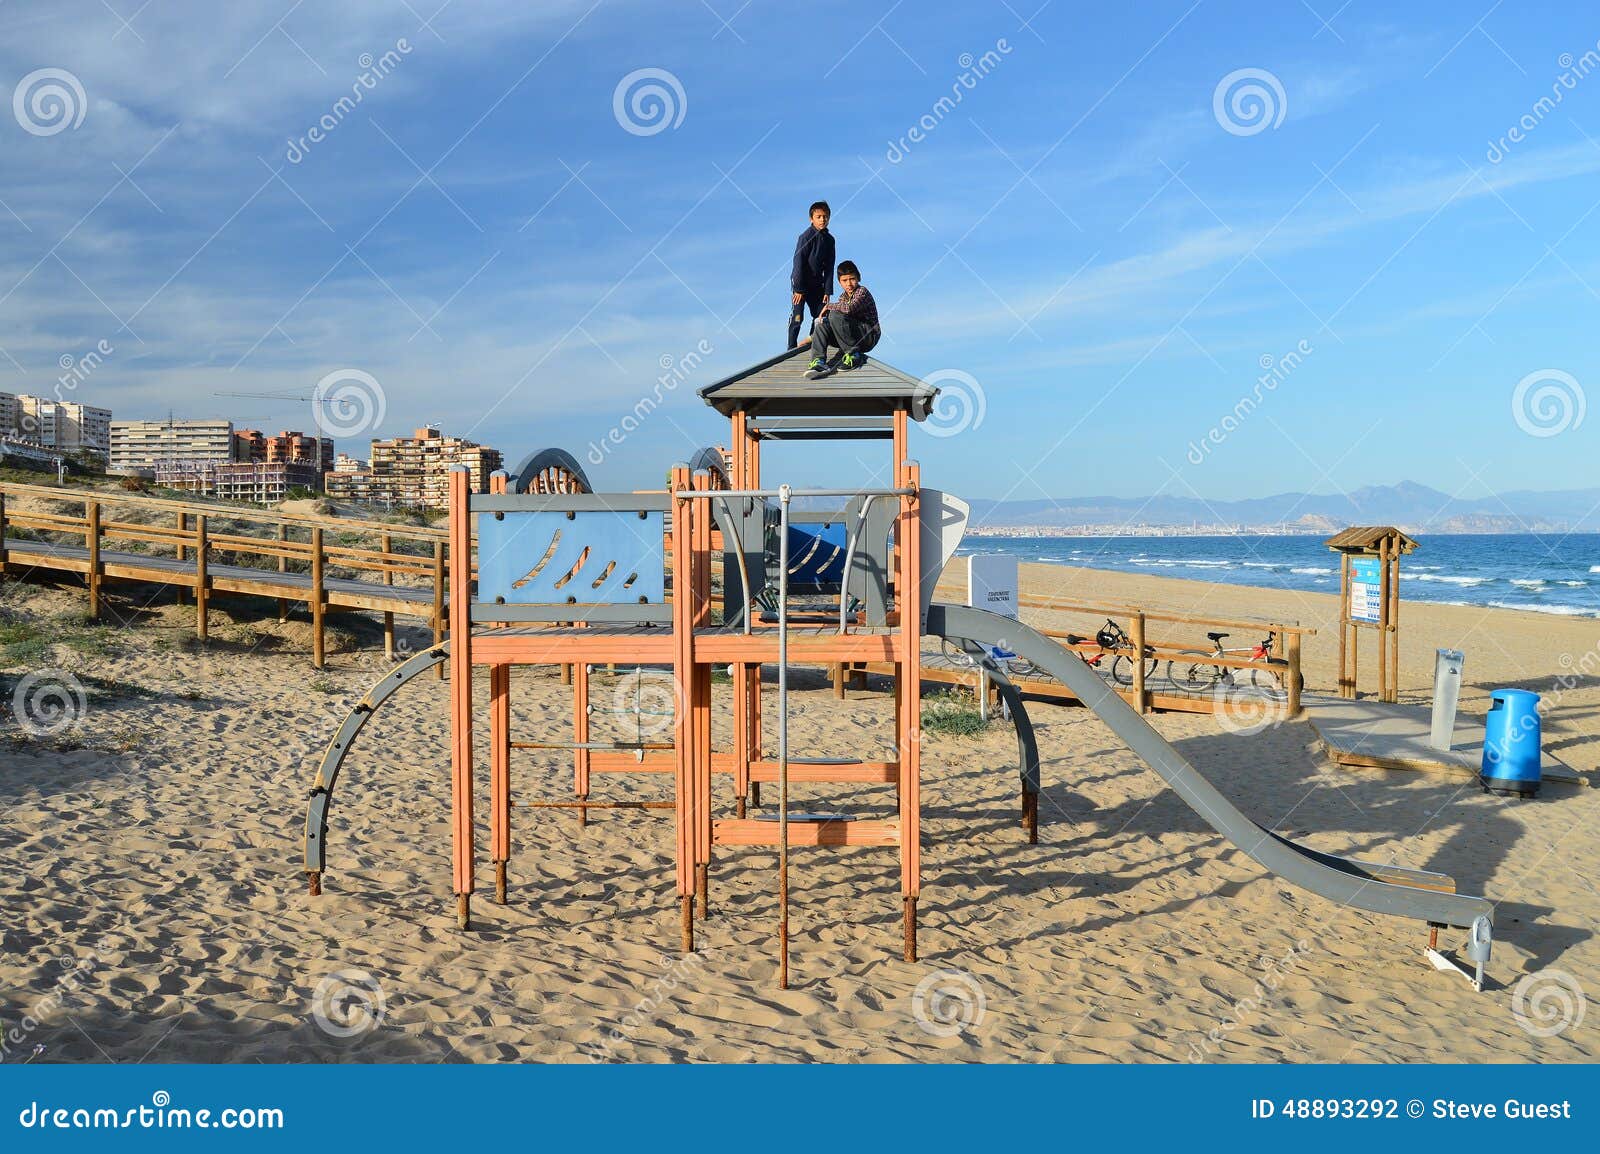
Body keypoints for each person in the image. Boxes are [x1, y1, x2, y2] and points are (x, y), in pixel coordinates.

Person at [804, 260, 879, 378]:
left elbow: (849, 309)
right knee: (823, 323)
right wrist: (810, 338)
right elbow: (836, 322)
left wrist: (828, 306)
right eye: (844, 280)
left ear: (858, 278)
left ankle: (853, 355)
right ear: (840, 282)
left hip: (868, 335)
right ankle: (819, 362)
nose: (849, 284)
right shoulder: (842, 297)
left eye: (852, 279)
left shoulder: (862, 292)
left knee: (834, 314)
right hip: (850, 335)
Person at [788, 201, 834, 347]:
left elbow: (829, 267)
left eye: (825, 217)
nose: (822, 220)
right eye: (818, 216)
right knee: (797, 317)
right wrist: (799, 289)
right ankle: (791, 347)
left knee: (822, 315)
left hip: (817, 285)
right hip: (801, 284)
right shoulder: (805, 237)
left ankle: (811, 342)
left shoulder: (829, 240)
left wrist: (827, 290)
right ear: (811, 219)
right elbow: (798, 263)